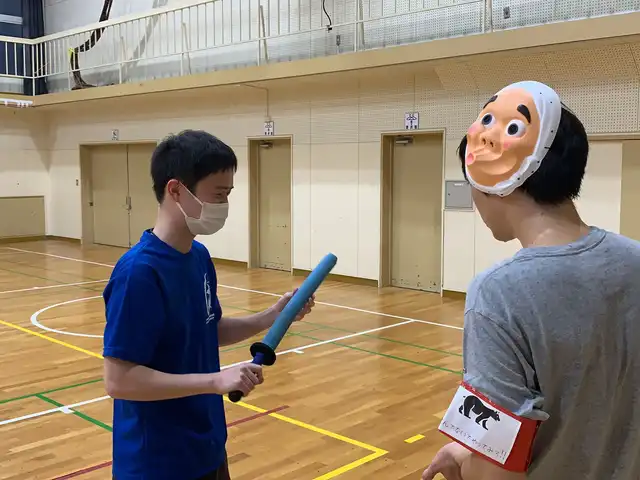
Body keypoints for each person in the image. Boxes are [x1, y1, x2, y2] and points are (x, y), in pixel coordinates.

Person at [422, 81, 640, 480]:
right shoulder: (635, 259)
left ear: (491, 175)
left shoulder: (499, 293)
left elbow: (497, 472)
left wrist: (467, 461)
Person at [102, 130, 315, 480]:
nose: (224, 205)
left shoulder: (199, 257)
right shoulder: (138, 273)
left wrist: (273, 315)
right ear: (176, 191)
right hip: (158, 464)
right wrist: (215, 380)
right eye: (218, 194)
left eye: (228, 195)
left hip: (207, 449)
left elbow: (208, 330)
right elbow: (119, 381)